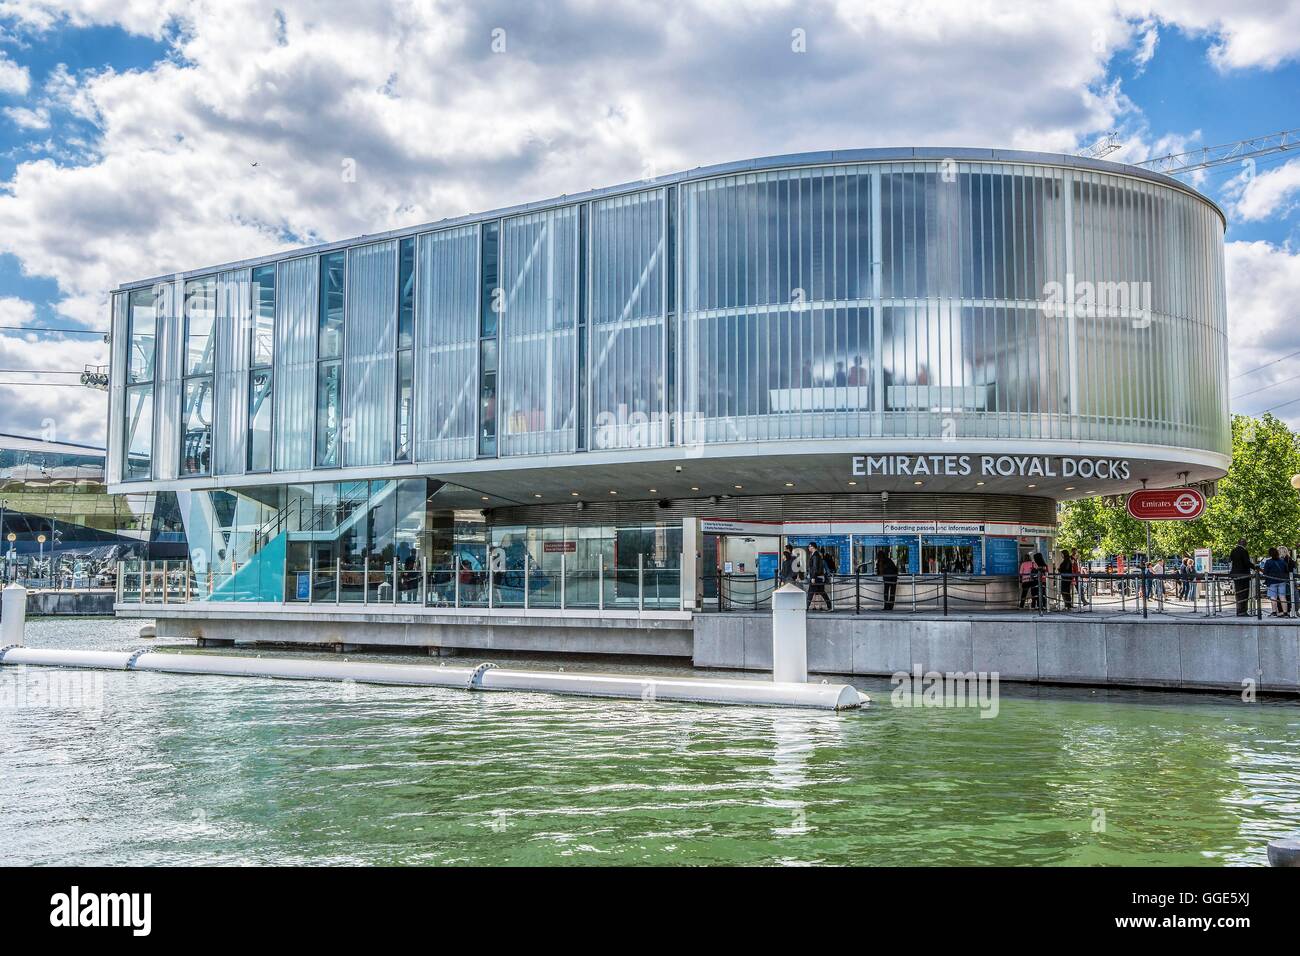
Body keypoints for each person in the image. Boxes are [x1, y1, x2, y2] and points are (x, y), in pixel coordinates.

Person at [1228, 537, 1257, 617]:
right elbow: (1246, 563)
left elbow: (1231, 561)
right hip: (1243, 575)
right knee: (1244, 593)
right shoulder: (1244, 551)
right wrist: (1255, 567)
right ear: (1244, 543)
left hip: (1235, 574)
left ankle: (1239, 610)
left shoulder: (1233, 550)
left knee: (1238, 593)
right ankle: (1243, 611)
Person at [1261, 547, 1290, 617]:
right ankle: (1285, 612)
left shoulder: (1268, 562)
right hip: (1282, 581)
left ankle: (1274, 612)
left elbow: (1265, 573)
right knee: (1282, 596)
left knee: (1273, 597)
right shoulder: (1282, 561)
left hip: (1272, 582)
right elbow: (1287, 571)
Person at [805, 541, 833, 611]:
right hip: (818, 577)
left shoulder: (815, 556)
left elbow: (815, 567)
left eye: (809, 546)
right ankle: (829, 606)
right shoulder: (816, 555)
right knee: (822, 592)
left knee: (810, 593)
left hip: (816, 578)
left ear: (812, 547)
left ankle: (806, 608)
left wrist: (813, 577)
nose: (808, 548)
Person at [1280, 546, 1297, 617]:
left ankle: (1285, 611)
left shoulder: (1281, 560)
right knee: (1291, 596)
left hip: (1284, 580)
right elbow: (1294, 570)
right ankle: (1293, 610)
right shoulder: (1291, 560)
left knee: (1284, 596)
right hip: (1291, 579)